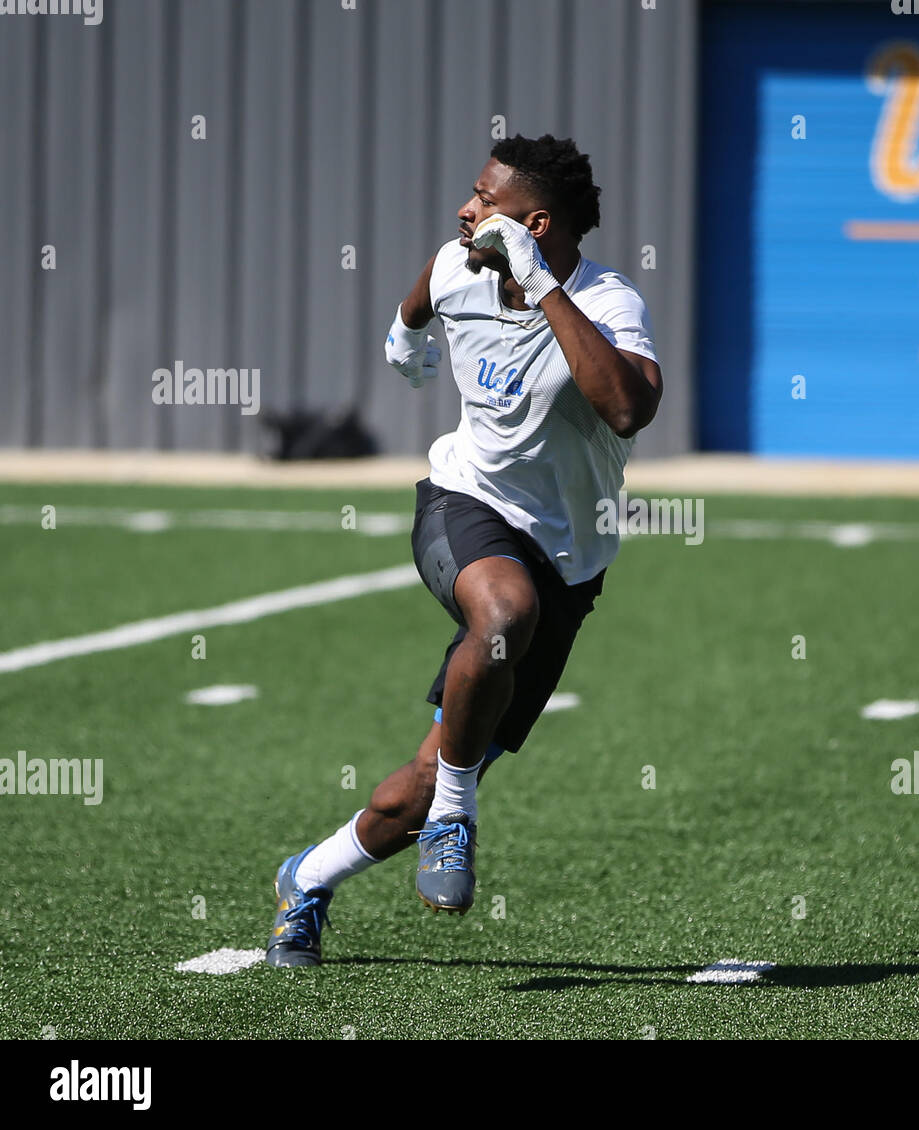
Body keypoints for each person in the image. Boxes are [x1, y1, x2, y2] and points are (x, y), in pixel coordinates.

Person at [267, 134, 662, 966]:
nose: (465, 209)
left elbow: (627, 410)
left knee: (418, 784)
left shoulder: (610, 302)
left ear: (536, 223)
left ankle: (307, 878)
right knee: (500, 616)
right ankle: (458, 815)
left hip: (567, 565)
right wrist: (403, 340)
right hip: (464, 505)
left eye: (485, 200)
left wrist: (545, 287)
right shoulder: (457, 267)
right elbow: (421, 299)